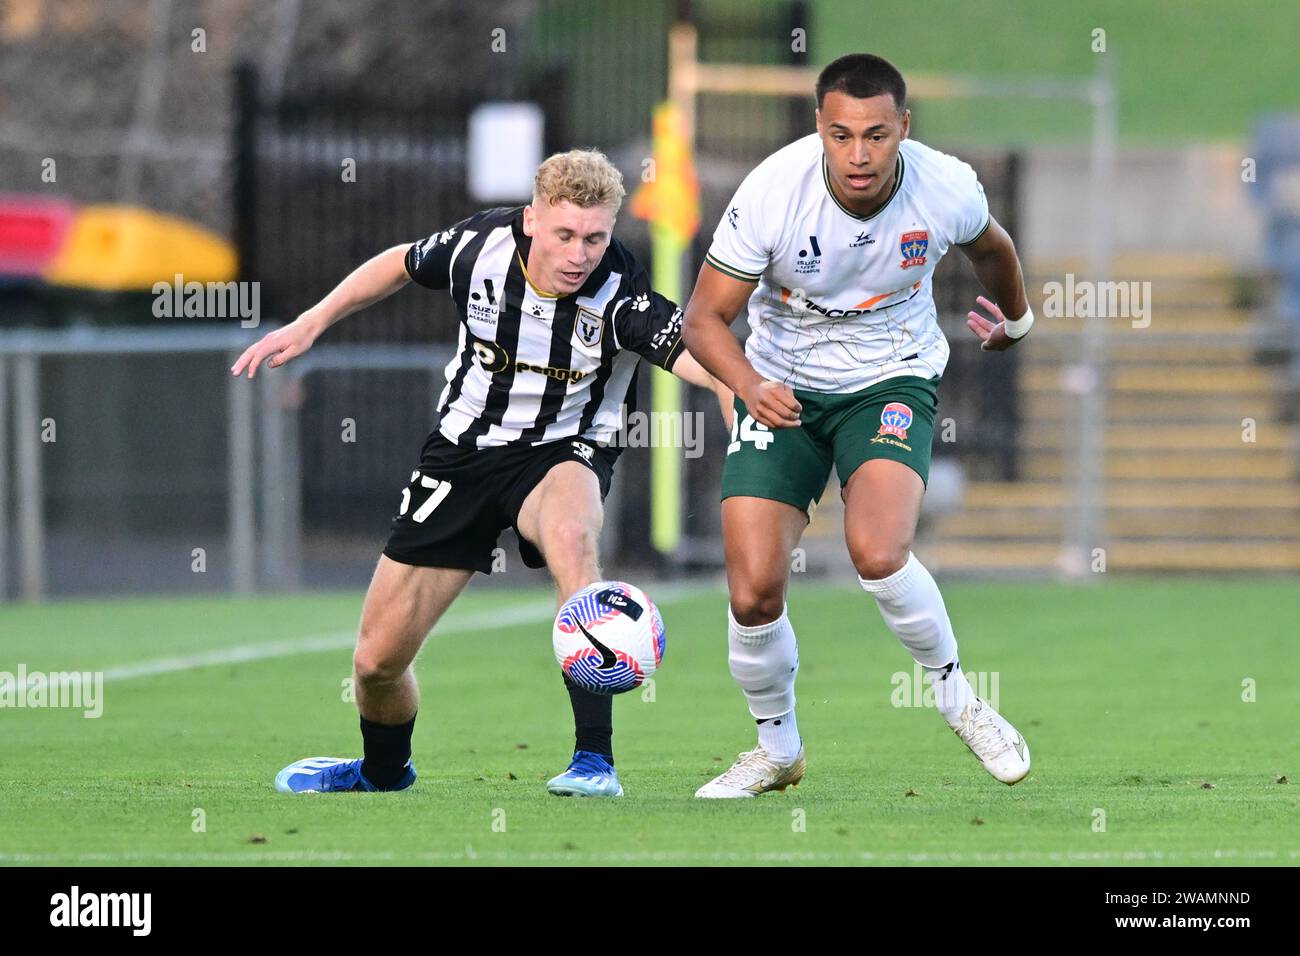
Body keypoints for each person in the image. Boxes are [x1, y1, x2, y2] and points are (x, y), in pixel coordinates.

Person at [232, 149, 729, 798]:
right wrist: (313, 319)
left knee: (574, 546)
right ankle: (382, 772)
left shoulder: (620, 292)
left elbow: (692, 351)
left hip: (562, 451)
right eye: (565, 235)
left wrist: (734, 387)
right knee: (375, 664)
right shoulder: (481, 246)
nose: (581, 253)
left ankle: (593, 762)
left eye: (596, 237)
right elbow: (399, 263)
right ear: (532, 221)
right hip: (461, 456)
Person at [681, 53, 1033, 797]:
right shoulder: (774, 192)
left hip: (891, 378)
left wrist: (1019, 319)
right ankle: (777, 751)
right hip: (782, 388)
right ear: (820, 129)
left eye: (877, 135)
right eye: (841, 135)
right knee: (752, 595)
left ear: (904, 127)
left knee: (877, 550)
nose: (859, 155)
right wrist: (746, 381)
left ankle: (958, 700)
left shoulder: (944, 187)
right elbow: (703, 319)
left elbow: (993, 249)